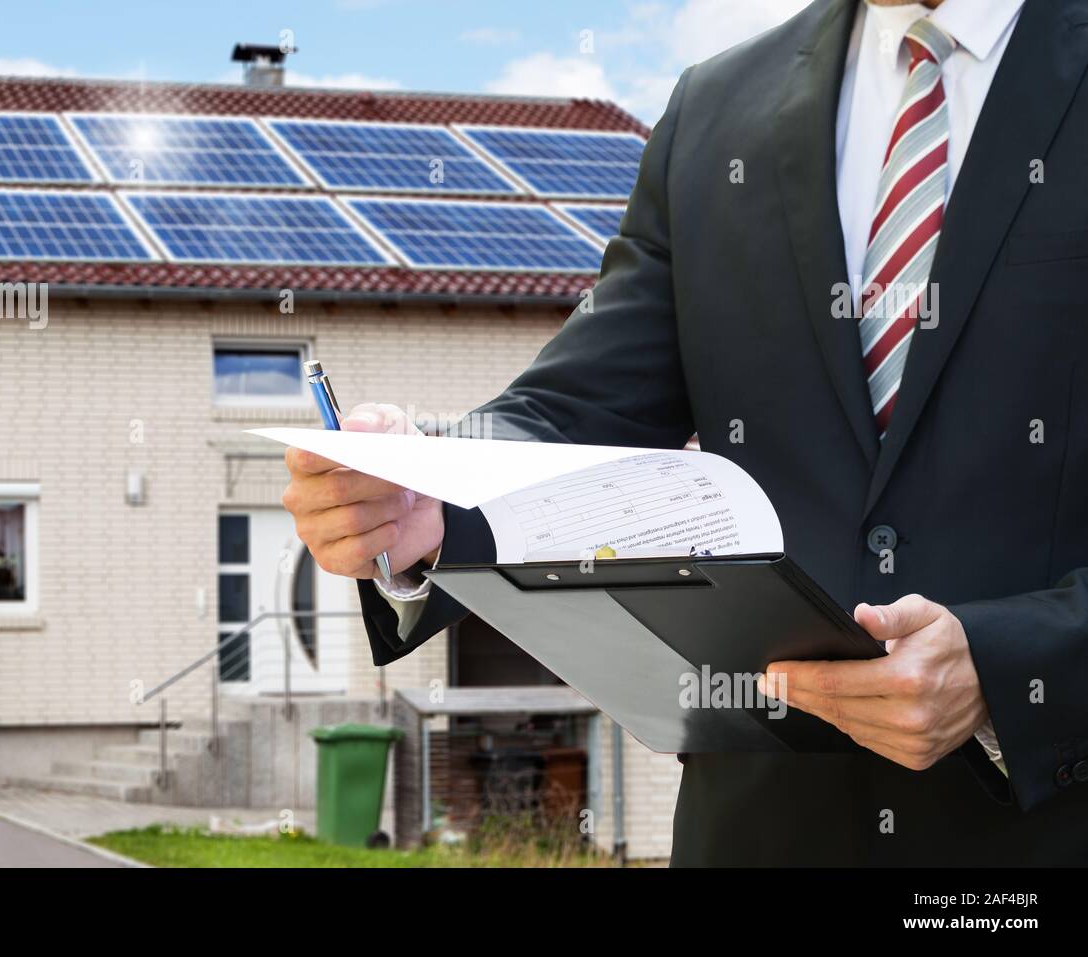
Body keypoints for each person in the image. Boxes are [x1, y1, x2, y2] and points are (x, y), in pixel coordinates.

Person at [281, 0, 1088, 865]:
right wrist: (425, 495)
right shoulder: (715, 109)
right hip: (754, 833)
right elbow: (579, 408)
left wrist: (1012, 672)